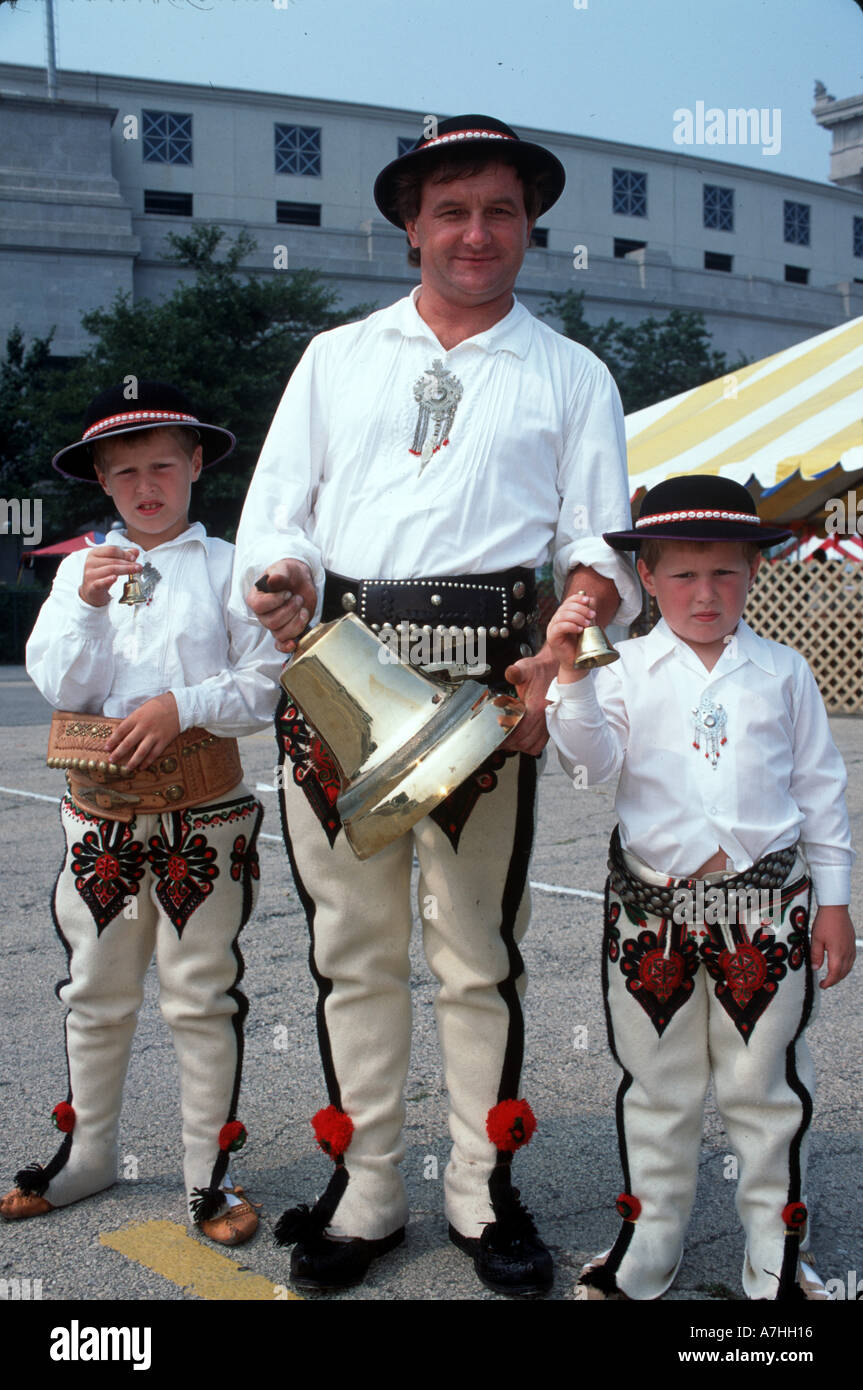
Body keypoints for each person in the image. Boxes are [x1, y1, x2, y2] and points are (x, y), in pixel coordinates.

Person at [231, 115, 641, 1294]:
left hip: (487, 678)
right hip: (342, 671)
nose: (474, 232)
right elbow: (276, 514)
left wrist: (564, 641)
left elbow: (596, 546)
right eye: (449, 210)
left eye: (499, 210)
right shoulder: (334, 356)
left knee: (474, 954)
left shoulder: (571, 372)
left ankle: (479, 1188)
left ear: (530, 228)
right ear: (408, 224)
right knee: (351, 949)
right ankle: (364, 1191)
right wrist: (279, 575)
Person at [544, 474, 856, 1301]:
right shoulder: (621, 670)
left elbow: (820, 790)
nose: (704, 593)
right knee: (657, 1085)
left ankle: (775, 1248)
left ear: (753, 570)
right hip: (650, 916)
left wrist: (832, 902)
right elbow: (590, 766)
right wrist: (570, 679)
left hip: (767, 910)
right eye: (682, 574)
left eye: (723, 572)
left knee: (764, 1087)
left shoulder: (782, 672)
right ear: (645, 577)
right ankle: (648, 1239)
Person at [0, 382, 282, 1246]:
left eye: (162, 465)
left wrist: (179, 706)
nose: (145, 485)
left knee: (200, 994)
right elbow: (61, 685)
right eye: (124, 472)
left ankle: (209, 1176)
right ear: (101, 480)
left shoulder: (234, 565)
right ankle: (88, 1156)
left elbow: (266, 685)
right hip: (102, 812)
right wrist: (85, 605)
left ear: (196, 463)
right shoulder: (79, 571)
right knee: (96, 989)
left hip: (206, 809)